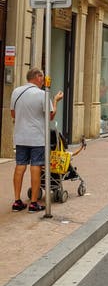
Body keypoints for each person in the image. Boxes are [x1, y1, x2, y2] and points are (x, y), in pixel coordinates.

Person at [10, 67, 64, 212]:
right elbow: (51, 116)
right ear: (37, 77)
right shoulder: (42, 95)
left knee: (20, 166)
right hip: (37, 137)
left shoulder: (16, 91)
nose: (44, 80)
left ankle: (17, 201)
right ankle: (33, 203)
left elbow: (13, 114)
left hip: (20, 136)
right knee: (36, 166)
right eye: (42, 77)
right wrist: (56, 100)